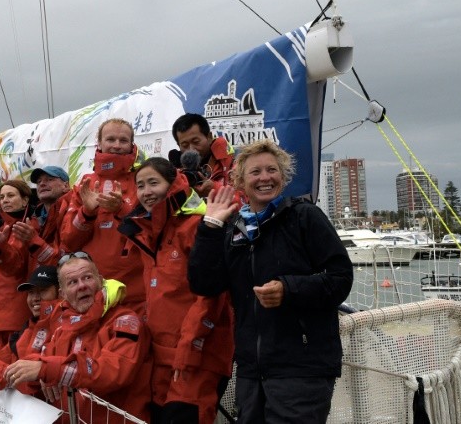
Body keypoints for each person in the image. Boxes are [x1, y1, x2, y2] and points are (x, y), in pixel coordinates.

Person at [188, 140, 353, 423]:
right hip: (252, 371)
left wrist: (288, 289)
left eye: (272, 170)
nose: (265, 177)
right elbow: (204, 284)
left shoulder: (304, 216)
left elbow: (340, 278)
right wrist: (210, 227)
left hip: (302, 368)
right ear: (240, 180)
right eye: (255, 172)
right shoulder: (234, 227)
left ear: (283, 175)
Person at [120, 158, 234, 423]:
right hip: (161, 354)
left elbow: (211, 296)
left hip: (197, 354)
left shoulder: (197, 227)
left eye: (153, 183)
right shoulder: (145, 232)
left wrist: (189, 349)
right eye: (140, 185)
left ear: (172, 184)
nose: (146, 191)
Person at [3, 253, 152, 423]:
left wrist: (49, 370)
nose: (82, 286)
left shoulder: (126, 320)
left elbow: (112, 372)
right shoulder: (61, 328)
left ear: (100, 281)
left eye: (87, 277)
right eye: (73, 282)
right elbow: (37, 369)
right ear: (63, 294)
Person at [60, 118, 147, 314]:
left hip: (135, 290)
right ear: (99, 143)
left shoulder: (143, 180)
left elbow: (152, 232)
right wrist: (86, 213)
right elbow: (68, 241)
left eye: (123, 140)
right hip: (91, 290)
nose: (116, 145)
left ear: (132, 145)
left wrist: (122, 210)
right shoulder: (84, 184)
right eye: (111, 139)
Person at [0, 264, 60, 398]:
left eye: (43, 290)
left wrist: (6, 377)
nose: (35, 297)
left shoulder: (63, 327)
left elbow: (46, 374)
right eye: (31, 292)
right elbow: (3, 357)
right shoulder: (28, 329)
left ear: (60, 292)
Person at [0, 180, 36, 348]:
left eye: (10, 195)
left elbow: (16, 267)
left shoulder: (27, 226)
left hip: (16, 311)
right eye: (1, 197)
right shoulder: (3, 227)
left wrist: (1, 248)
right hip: (1, 312)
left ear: (25, 200)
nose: (5, 200)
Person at [171, 113, 236, 198]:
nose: (191, 149)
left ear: (209, 137)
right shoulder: (176, 174)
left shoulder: (233, 164)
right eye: (185, 145)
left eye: (196, 142)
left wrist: (214, 190)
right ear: (178, 145)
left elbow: (246, 200)